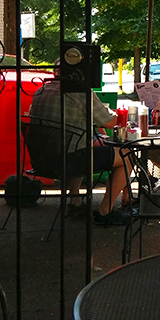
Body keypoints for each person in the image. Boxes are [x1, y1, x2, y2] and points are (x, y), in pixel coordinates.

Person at [28, 65, 129, 225]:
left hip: (41, 159)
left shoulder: (41, 91)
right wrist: (126, 117)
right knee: (126, 155)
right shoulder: (80, 92)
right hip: (68, 160)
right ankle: (105, 212)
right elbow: (110, 122)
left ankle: (75, 201)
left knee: (83, 143)